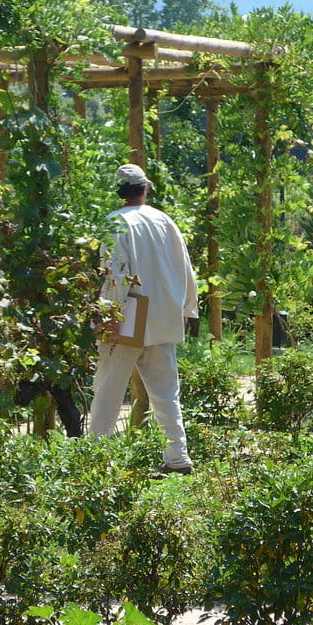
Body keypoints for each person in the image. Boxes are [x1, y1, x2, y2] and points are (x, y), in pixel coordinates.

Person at [88, 163, 198, 474]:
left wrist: (109, 315)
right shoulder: (165, 221)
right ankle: (177, 458)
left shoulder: (114, 222)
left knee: (108, 389)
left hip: (128, 317)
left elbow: (114, 274)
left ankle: (95, 460)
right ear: (145, 189)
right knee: (165, 393)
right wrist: (189, 309)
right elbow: (186, 267)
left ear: (119, 191)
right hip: (164, 315)